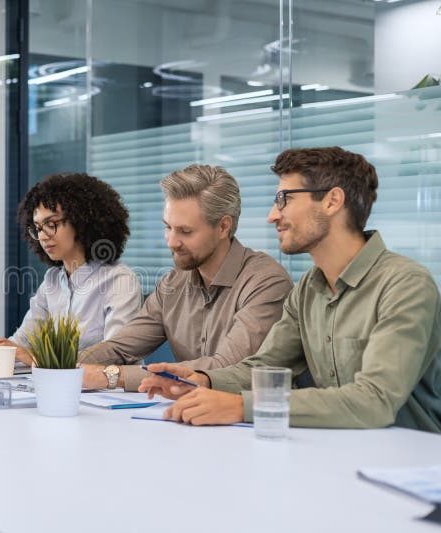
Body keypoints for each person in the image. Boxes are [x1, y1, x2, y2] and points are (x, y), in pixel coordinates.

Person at [141, 147, 441, 432]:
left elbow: (374, 400)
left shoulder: (404, 284)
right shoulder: (309, 288)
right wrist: (203, 380)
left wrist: (241, 406)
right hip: (338, 451)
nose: (273, 215)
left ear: (332, 201)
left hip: (407, 462)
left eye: (285, 199)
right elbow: (264, 367)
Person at [78, 164, 293, 391]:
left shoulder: (266, 282)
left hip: (250, 419)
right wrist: (57, 364)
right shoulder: (173, 282)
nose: (171, 241)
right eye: (168, 227)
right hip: (189, 418)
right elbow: (119, 348)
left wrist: (113, 376)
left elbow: (225, 367)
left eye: (185, 231)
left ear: (223, 227)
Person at [0, 173, 143, 365]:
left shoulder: (119, 280)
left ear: (82, 221)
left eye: (51, 224)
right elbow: (21, 343)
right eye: (38, 228)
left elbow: (115, 356)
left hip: (108, 391)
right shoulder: (52, 281)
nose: (43, 236)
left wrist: (34, 358)